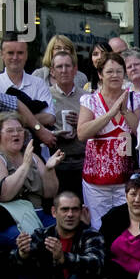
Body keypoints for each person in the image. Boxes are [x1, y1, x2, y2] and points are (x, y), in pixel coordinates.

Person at [0, 113, 61, 249]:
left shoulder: (32, 156)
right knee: (31, 242)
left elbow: (50, 193)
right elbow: (4, 194)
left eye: (19, 130)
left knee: (67, 232)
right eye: (10, 131)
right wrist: (24, 166)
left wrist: (49, 170)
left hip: (34, 215)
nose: (16, 134)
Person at [77, 51, 138, 229]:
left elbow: (139, 131)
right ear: (100, 75)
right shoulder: (90, 101)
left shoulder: (134, 99)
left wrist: (125, 111)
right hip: (96, 182)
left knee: (125, 228)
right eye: (110, 71)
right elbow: (82, 133)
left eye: (119, 71)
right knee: (99, 228)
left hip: (126, 180)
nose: (115, 75)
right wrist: (110, 114)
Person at [0, 38, 56, 138]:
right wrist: (35, 123)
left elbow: (50, 118)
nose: (15, 57)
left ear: (26, 55)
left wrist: (8, 121)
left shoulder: (38, 83)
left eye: (20, 53)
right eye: (10, 53)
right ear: (2, 55)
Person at [47, 49, 87, 192]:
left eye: (68, 66)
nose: (64, 70)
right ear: (52, 71)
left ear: (75, 69)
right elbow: (37, 127)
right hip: (56, 163)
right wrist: (56, 134)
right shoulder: (45, 95)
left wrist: (81, 122)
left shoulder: (87, 97)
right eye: (59, 66)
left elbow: (97, 130)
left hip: (83, 162)